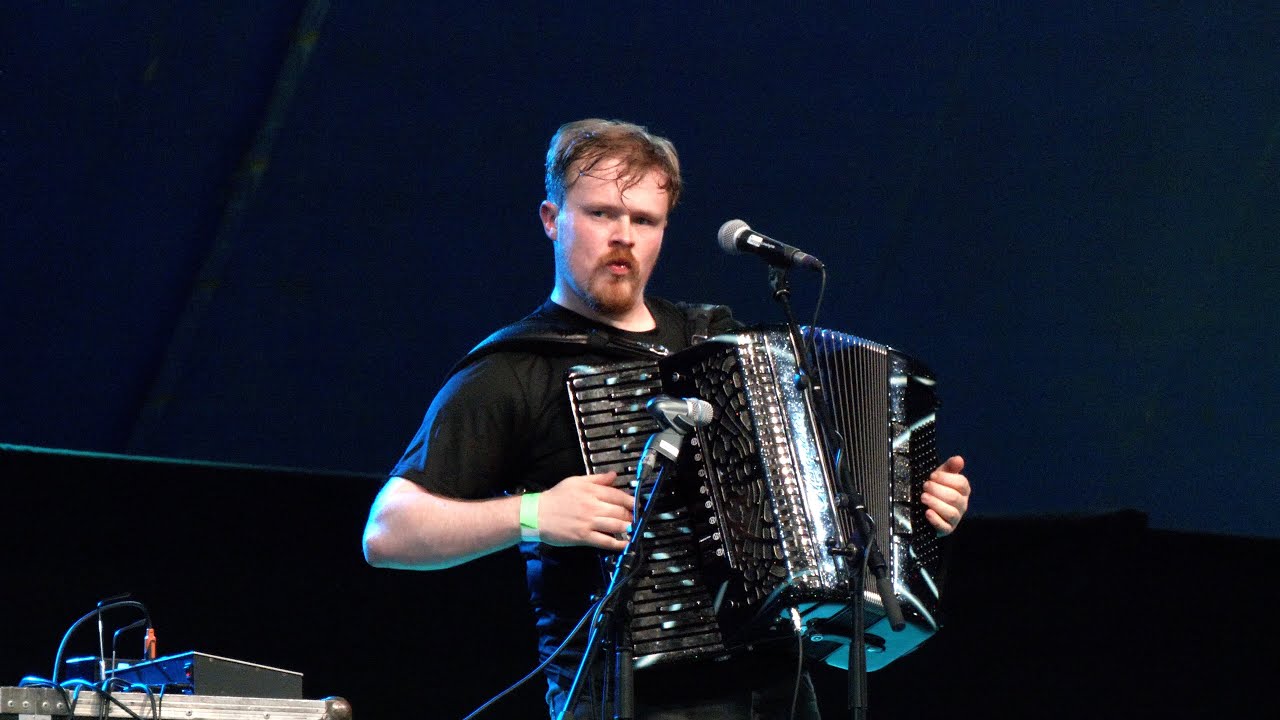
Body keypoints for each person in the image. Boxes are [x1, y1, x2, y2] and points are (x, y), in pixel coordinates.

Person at [362, 118, 972, 719]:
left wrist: (912, 506)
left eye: (644, 220)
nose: (622, 235)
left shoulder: (720, 341)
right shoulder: (516, 369)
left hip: (780, 693)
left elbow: (822, 492)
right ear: (552, 220)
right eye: (600, 213)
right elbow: (388, 532)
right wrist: (534, 514)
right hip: (629, 700)